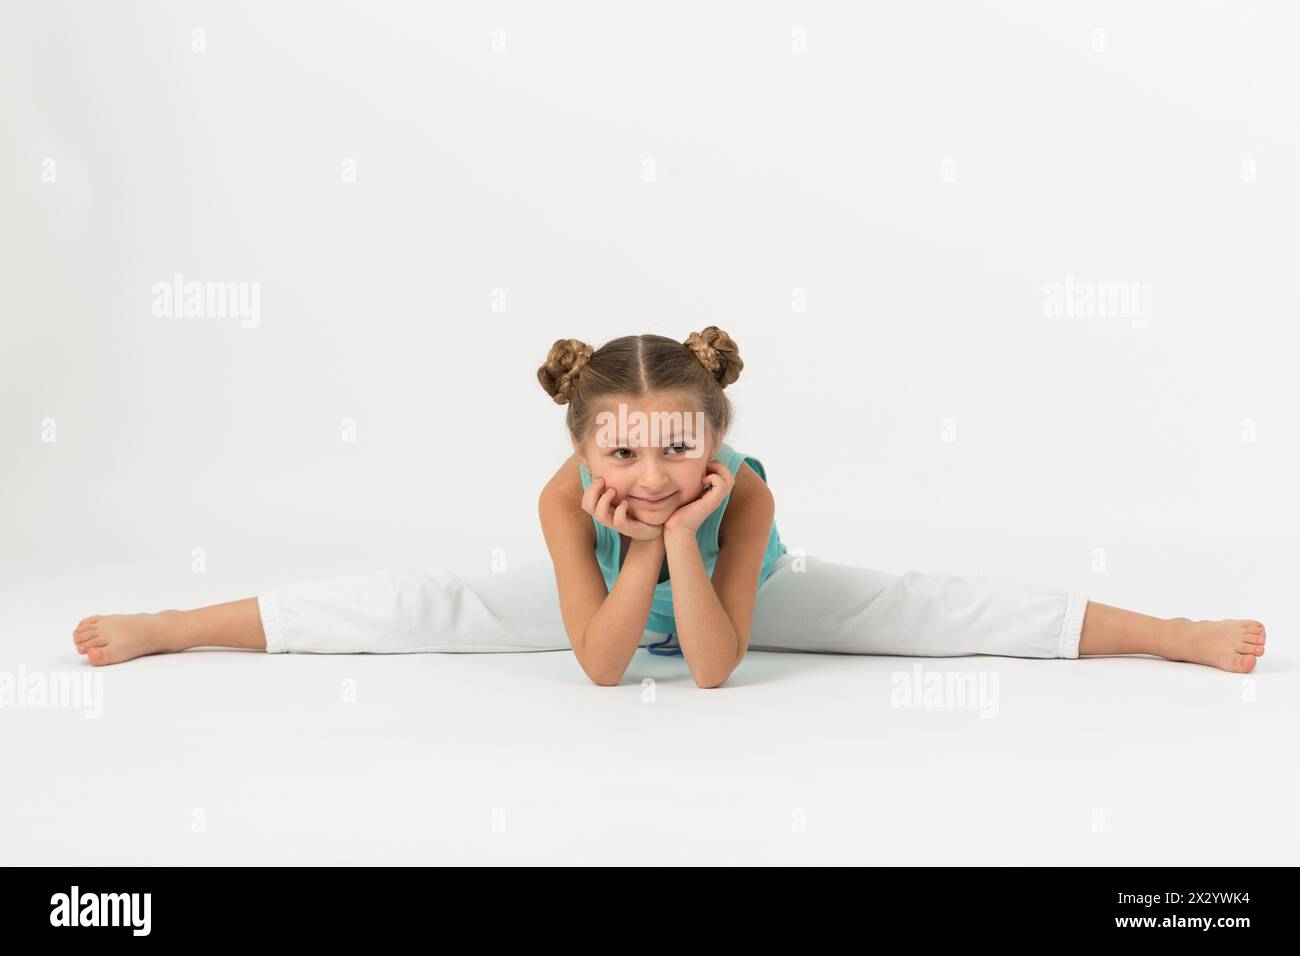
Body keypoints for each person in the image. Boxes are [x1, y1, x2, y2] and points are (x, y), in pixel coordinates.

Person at [71, 328, 1267, 687]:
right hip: (598, 596)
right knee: (412, 602)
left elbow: (706, 669)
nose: (648, 472)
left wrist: (689, 536)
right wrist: (632, 552)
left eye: (675, 448)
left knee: (929, 606)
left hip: (740, 594)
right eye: (623, 450)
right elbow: (601, 662)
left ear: (717, 440)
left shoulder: (740, 496)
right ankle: (182, 621)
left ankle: (1168, 632)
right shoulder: (562, 498)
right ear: (585, 442)